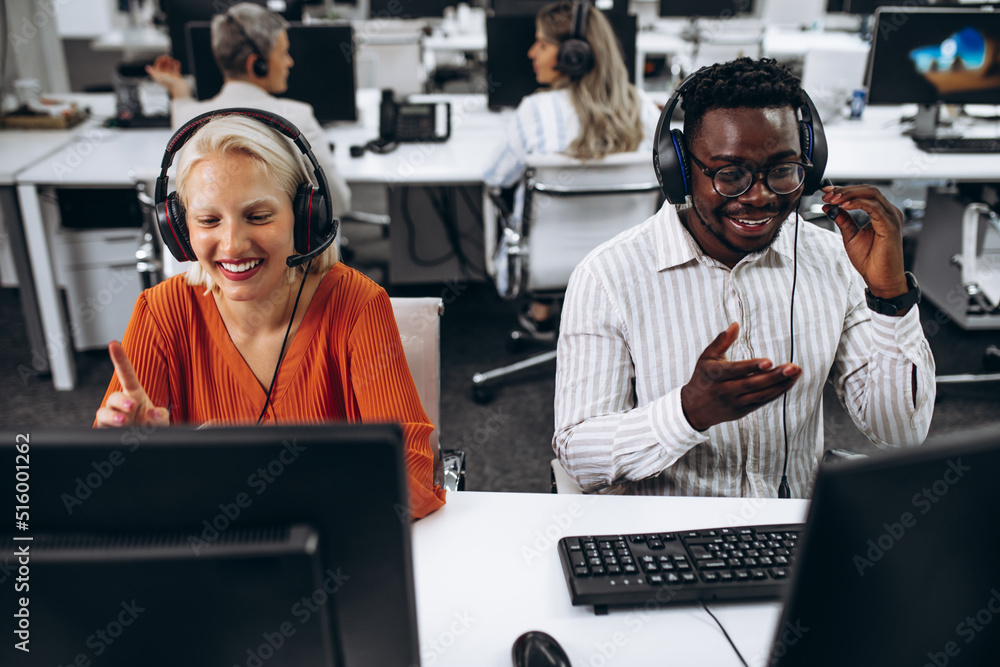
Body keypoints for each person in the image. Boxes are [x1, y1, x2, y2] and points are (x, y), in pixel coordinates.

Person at [553, 57, 936, 497]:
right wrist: (687, 412)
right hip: (668, 538)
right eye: (730, 174)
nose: (759, 196)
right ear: (680, 170)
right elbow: (578, 457)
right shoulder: (608, 277)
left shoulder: (834, 260)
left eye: (782, 171)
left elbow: (900, 434)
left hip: (790, 532)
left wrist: (890, 296)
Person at [94, 112, 445, 519]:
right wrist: (127, 454)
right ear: (179, 229)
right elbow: (107, 498)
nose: (233, 244)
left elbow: (414, 484)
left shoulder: (355, 305)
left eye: (258, 216)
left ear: (304, 216)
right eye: (208, 220)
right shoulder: (162, 314)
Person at [484, 0, 661, 340]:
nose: (531, 53)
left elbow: (495, 178)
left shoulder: (534, 111)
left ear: (575, 55)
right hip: (628, 266)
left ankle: (542, 313)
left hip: (545, 265)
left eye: (543, 43)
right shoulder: (641, 106)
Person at [146, 2, 351, 217]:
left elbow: (182, 103)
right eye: (283, 53)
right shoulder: (296, 118)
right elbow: (337, 201)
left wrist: (177, 88)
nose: (289, 62)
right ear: (258, 64)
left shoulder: (189, 119)